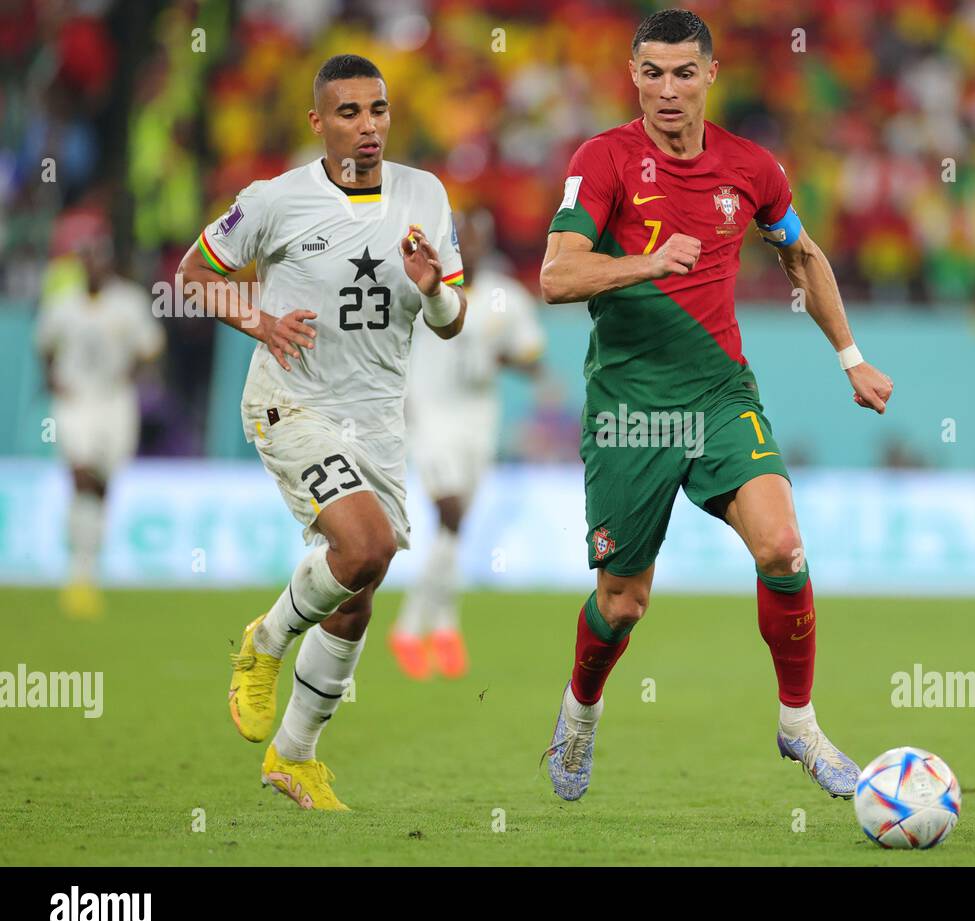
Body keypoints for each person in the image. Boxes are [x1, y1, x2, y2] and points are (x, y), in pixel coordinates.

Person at [538, 9, 894, 801]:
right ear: (634, 74)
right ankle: (580, 713)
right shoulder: (605, 160)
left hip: (720, 392)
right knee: (623, 603)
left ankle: (798, 723)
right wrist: (645, 263)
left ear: (710, 75)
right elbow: (557, 277)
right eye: (653, 73)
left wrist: (852, 358)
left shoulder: (752, 168)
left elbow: (801, 252)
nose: (668, 90)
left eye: (684, 72)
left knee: (783, 547)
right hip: (630, 410)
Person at [178, 54, 466, 810]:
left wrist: (434, 291)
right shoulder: (275, 201)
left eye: (377, 110)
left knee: (358, 590)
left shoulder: (425, 194)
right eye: (348, 113)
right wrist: (259, 319)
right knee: (363, 546)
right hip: (292, 404)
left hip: (377, 419)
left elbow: (451, 320)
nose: (366, 126)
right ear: (317, 122)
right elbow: (194, 276)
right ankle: (266, 640)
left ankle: (294, 757)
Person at [390, 208, 545, 679]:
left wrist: (507, 359)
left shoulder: (506, 298)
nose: (472, 247)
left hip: (480, 424)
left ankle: (442, 625)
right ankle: (410, 626)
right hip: (431, 418)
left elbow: (530, 357)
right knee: (450, 513)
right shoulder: (421, 289)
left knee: (453, 532)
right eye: (464, 239)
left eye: (479, 238)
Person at [36, 231, 163, 618]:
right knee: (82, 472)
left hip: (114, 401)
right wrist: (53, 378)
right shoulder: (63, 305)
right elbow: (45, 346)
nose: (91, 265)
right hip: (76, 399)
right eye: (84, 258)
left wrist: (132, 372)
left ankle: (87, 559)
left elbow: (150, 347)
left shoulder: (128, 302)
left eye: (97, 258)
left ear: (108, 262)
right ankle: (79, 573)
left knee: (103, 482)